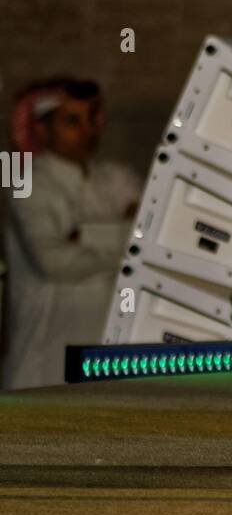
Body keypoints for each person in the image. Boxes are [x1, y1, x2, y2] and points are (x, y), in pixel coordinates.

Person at [2, 79, 140, 390]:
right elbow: (53, 262)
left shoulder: (119, 178)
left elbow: (156, 242)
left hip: (107, 363)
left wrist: (84, 236)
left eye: (91, 118)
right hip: (41, 369)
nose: (87, 130)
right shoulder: (26, 183)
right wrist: (129, 247)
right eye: (72, 121)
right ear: (41, 129)